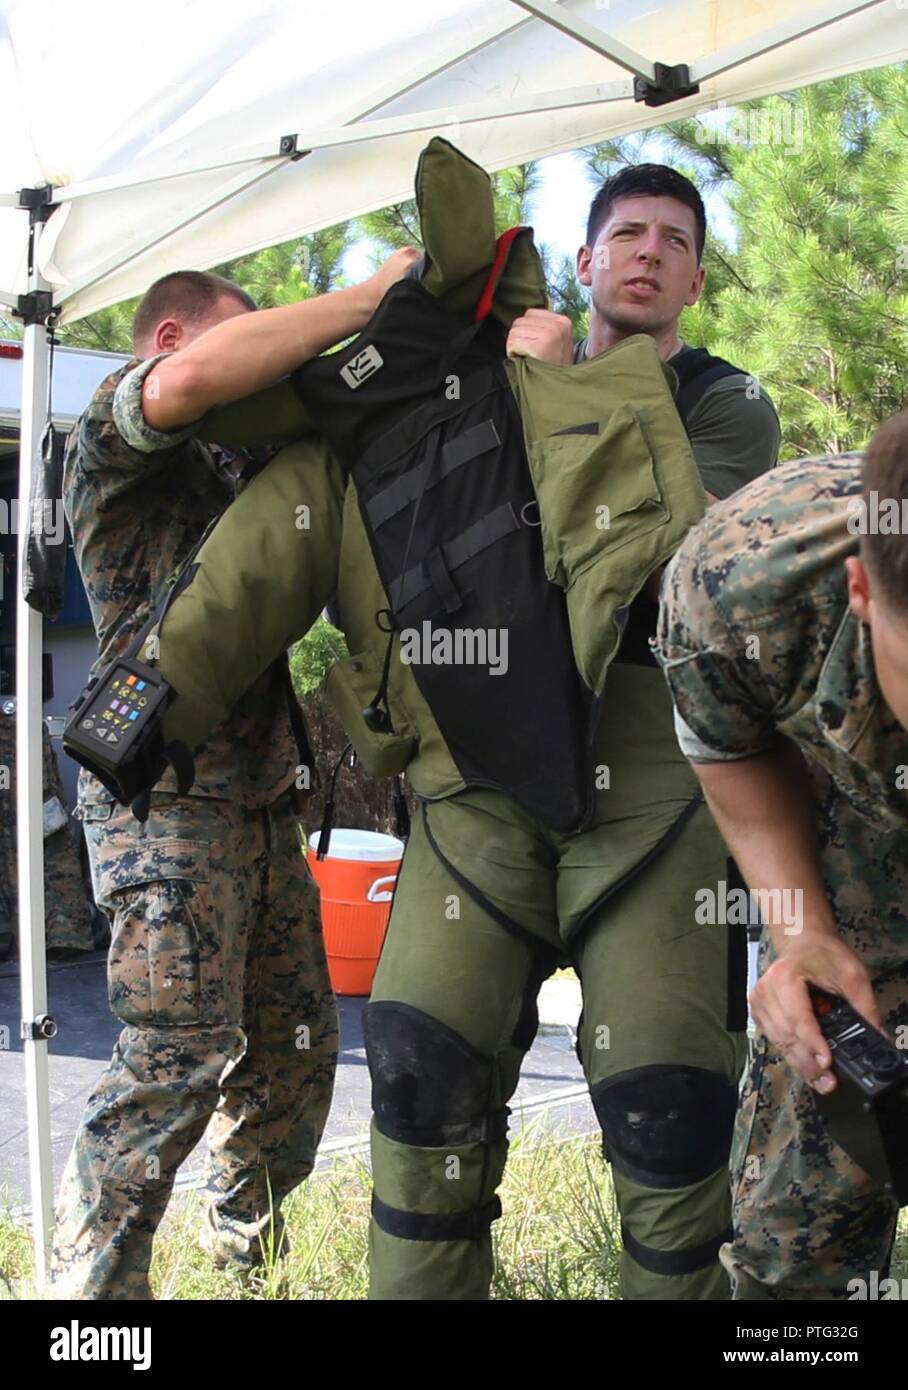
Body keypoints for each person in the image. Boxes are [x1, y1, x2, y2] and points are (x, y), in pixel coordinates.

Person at [92, 142, 780, 1299]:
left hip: (652, 797)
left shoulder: (722, 405)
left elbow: (655, 544)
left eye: (674, 242)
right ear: (580, 257)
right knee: (418, 1082)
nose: (649, 255)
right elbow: (284, 527)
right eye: (628, 234)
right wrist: (153, 701)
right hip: (472, 798)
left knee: (667, 1110)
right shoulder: (454, 388)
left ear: (697, 280)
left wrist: (553, 384)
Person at [53, 251, 418, 1300]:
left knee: (293, 1060)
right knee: (171, 1062)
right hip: (162, 800)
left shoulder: (234, 464)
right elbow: (187, 389)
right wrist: (363, 299)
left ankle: (241, 1267)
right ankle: (88, 1310)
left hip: (257, 801)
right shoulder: (122, 437)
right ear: (174, 337)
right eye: (236, 343)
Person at [653, 415, 908, 1300]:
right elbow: (729, 746)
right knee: (803, 1227)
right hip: (862, 848)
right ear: (863, 591)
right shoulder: (738, 585)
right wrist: (800, 929)